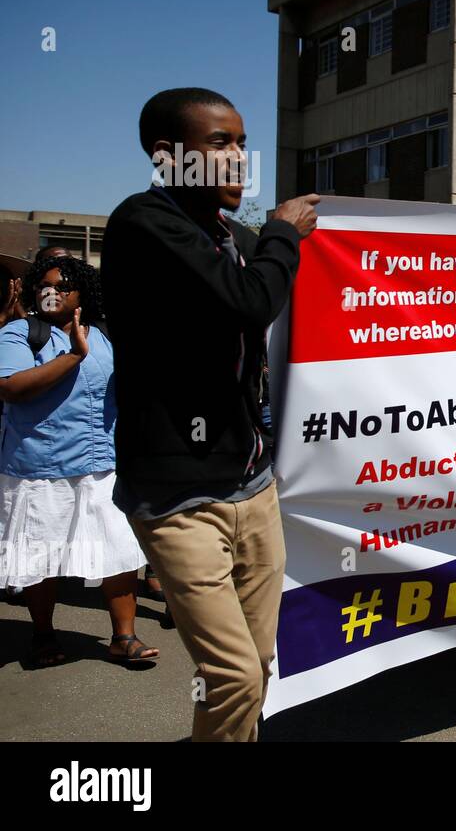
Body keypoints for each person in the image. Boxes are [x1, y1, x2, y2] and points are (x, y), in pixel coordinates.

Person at [102, 87, 319, 740]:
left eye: (243, 143)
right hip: (179, 501)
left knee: (256, 666)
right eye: (219, 143)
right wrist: (283, 231)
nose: (238, 159)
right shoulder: (145, 225)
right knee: (233, 678)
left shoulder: (233, 236)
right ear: (168, 156)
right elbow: (251, 301)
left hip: (251, 488)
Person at [0, 256, 155, 665]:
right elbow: (12, 387)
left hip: (100, 465)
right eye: (44, 285)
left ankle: (124, 637)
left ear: (83, 293)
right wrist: (72, 356)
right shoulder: (20, 333)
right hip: (39, 468)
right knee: (40, 556)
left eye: (64, 285)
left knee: (118, 552)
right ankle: (43, 636)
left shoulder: (104, 336)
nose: (52, 291)